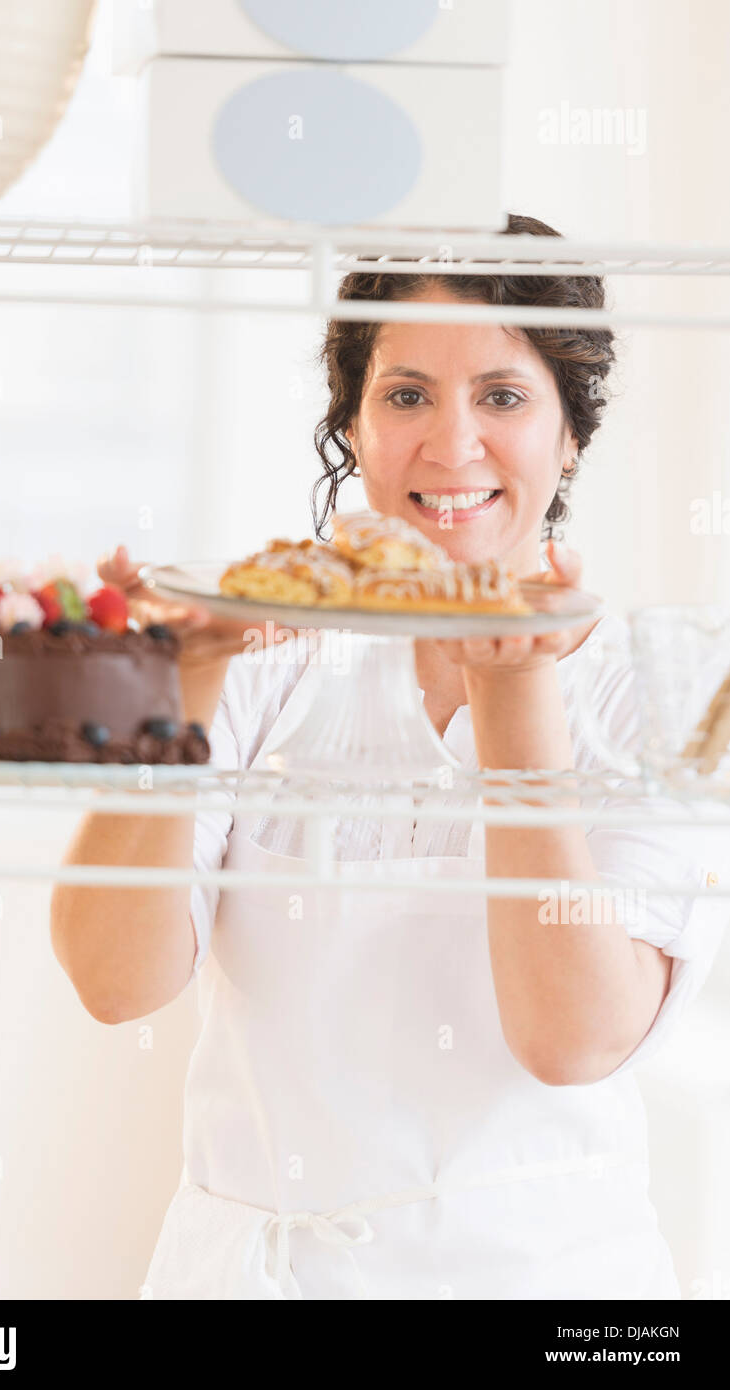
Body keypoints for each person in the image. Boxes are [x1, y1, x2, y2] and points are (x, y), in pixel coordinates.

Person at [51, 214, 728, 1300]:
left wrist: (512, 690)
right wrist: (177, 693)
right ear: (354, 429)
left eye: (501, 396)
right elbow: (113, 981)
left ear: (569, 435)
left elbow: (571, 1036)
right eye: (405, 394)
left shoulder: (673, 688)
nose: (450, 444)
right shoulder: (257, 653)